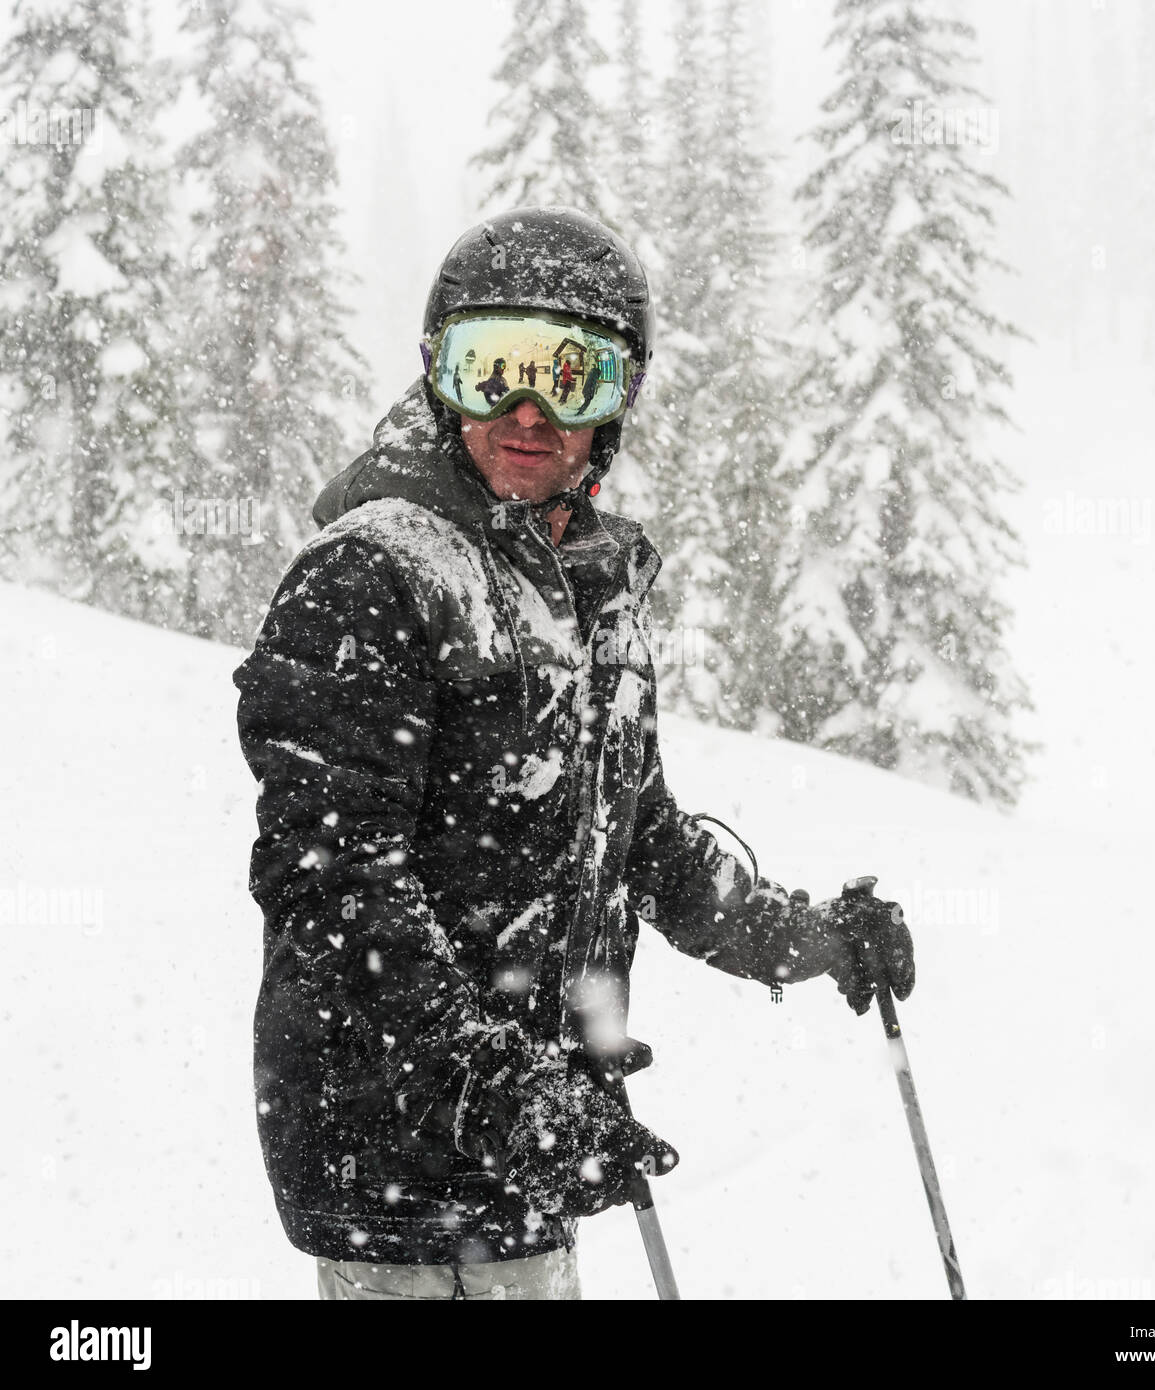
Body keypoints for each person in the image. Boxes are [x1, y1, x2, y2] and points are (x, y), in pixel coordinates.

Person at [233, 206, 915, 1301]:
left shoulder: (588, 594)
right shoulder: (373, 573)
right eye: (490, 366)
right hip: (395, 1161)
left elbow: (642, 842)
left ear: (619, 401)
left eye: (572, 376)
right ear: (438, 375)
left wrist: (815, 937)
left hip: (529, 1160)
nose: (527, 411)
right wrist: (500, 1093)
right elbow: (334, 888)